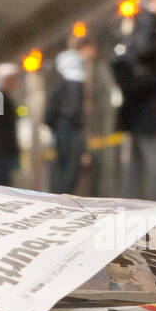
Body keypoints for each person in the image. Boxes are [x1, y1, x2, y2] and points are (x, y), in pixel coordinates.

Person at [114, 0, 156, 202]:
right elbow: (141, 52)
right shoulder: (148, 22)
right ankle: (155, 221)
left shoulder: (138, 22)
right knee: (155, 169)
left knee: (137, 169)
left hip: (138, 110)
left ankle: (134, 221)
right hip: (150, 111)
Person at [47, 37, 94, 194]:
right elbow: (74, 110)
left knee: (62, 166)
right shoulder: (75, 79)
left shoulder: (60, 79)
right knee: (69, 169)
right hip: (70, 130)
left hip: (62, 129)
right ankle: (64, 199)